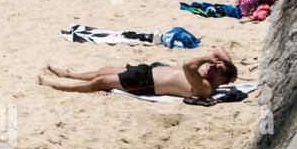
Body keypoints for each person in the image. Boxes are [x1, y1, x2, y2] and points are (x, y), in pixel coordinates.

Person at [39, 46, 238, 98]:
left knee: (100, 82)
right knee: (103, 70)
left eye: (216, 67)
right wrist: (230, 68)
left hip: (147, 83)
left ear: (220, 79)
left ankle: (57, 85)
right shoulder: (211, 76)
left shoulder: (204, 87)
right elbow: (218, 48)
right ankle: (68, 75)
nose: (212, 64)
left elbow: (187, 65)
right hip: (148, 70)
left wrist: (205, 60)